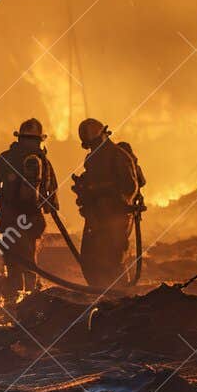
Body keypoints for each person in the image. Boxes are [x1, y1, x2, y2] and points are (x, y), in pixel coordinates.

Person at [0, 118, 59, 297]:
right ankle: (29, 294)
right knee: (28, 254)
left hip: (10, 217)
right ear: (40, 140)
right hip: (33, 218)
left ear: (19, 138)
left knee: (14, 257)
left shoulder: (6, 158)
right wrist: (51, 209)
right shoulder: (42, 160)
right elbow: (51, 189)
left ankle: (17, 294)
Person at [71, 118, 144, 288]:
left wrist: (107, 200)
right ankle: (101, 294)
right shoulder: (92, 160)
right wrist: (84, 189)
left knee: (113, 260)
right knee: (90, 260)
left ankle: (119, 298)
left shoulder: (118, 156)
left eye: (94, 143)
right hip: (96, 218)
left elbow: (129, 187)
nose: (93, 148)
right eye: (90, 145)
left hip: (116, 219)